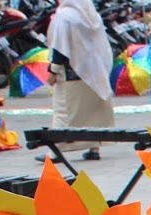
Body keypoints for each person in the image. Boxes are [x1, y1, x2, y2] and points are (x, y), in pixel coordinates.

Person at [45, 0, 116, 161]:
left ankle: (55, 152)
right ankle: (94, 148)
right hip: (94, 72)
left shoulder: (64, 16)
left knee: (64, 111)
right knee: (93, 112)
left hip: (71, 73)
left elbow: (60, 47)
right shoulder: (92, 15)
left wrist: (53, 69)